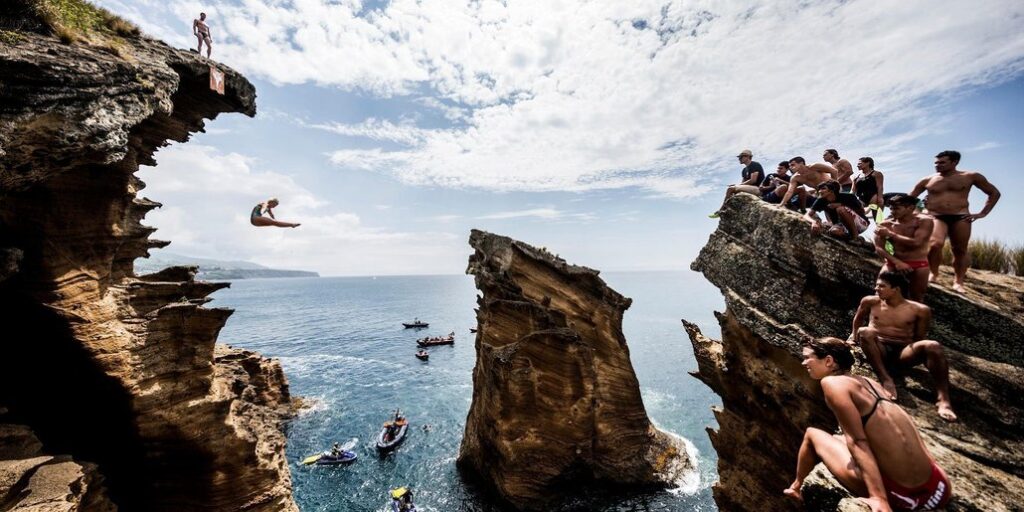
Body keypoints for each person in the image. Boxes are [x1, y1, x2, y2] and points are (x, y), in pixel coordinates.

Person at [784, 337, 952, 511]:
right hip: (939, 486)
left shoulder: (831, 383)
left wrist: (878, 498)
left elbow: (858, 441)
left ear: (828, 361)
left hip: (907, 497)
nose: (804, 362)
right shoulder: (869, 382)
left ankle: (796, 488)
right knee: (837, 438)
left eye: (807, 357)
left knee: (812, 434)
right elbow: (906, 425)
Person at [851, 271, 956, 421]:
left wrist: (925, 355)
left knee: (933, 345)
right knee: (865, 332)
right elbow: (858, 319)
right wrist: (853, 338)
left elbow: (919, 338)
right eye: (876, 285)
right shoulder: (870, 301)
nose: (876, 289)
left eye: (882, 286)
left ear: (896, 289)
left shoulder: (920, 310)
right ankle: (886, 378)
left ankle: (943, 399)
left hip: (902, 353)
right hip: (878, 348)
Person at [909, 150, 1000, 293]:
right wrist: (918, 213)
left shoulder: (970, 176)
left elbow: (994, 193)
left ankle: (958, 282)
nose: (937, 165)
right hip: (935, 216)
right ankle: (933, 273)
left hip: (961, 217)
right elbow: (910, 198)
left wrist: (982, 213)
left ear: (955, 162)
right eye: (936, 163)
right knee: (935, 244)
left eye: (942, 162)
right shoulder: (928, 179)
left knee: (959, 250)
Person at [875, 195, 934, 301]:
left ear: (910, 208)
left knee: (916, 299)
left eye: (897, 208)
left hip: (918, 264)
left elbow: (917, 243)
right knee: (879, 296)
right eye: (891, 208)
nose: (893, 211)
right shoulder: (886, 224)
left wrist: (891, 235)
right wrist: (897, 262)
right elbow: (879, 248)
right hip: (893, 263)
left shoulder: (924, 221)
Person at [804, 180, 869, 240]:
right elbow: (807, 215)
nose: (820, 191)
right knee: (835, 232)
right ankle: (850, 237)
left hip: (861, 223)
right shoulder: (821, 200)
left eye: (823, 189)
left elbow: (862, 211)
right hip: (841, 225)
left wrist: (842, 205)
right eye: (819, 189)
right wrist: (813, 222)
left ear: (831, 191)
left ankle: (855, 237)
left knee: (840, 209)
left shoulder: (848, 196)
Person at [709, 149, 764, 218]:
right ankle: (728, 211)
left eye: (741, 157)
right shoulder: (744, 170)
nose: (739, 159)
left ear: (747, 157)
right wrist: (737, 186)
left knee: (731, 189)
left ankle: (721, 210)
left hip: (758, 189)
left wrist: (736, 186)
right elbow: (743, 183)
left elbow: (753, 180)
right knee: (733, 192)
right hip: (751, 189)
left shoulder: (754, 164)